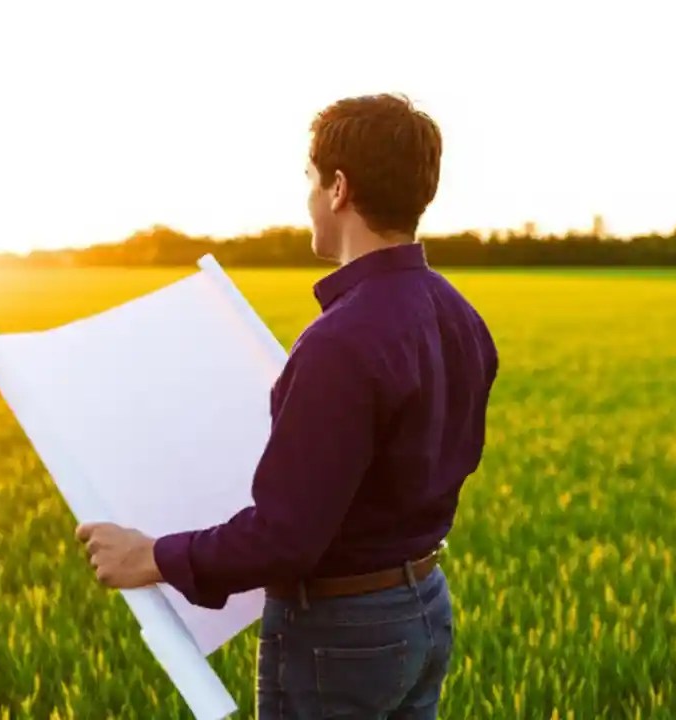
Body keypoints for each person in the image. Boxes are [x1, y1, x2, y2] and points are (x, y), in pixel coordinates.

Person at [76, 93, 498, 719]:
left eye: (310, 179)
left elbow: (286, 539)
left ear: (338, 189)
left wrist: (151, 556)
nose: (309, 197)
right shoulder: (461, 316)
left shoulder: (341, 341)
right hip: (424, 609)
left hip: (340, 635)